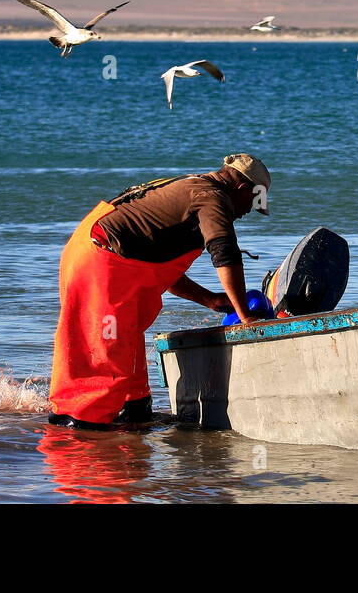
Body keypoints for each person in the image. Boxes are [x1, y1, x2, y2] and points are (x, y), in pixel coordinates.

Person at [47, 153, 270, 429]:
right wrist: (245, 316)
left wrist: (209, 299)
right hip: (102, 262)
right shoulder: (213, 199)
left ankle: (134, 414)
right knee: (104, 350)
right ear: (243, 189)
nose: (247, 212)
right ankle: (81, 430)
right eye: (252, 203)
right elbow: (225, 255)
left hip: (97, 253)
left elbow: (157, 265)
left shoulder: (193, 187)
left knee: (125, 347)